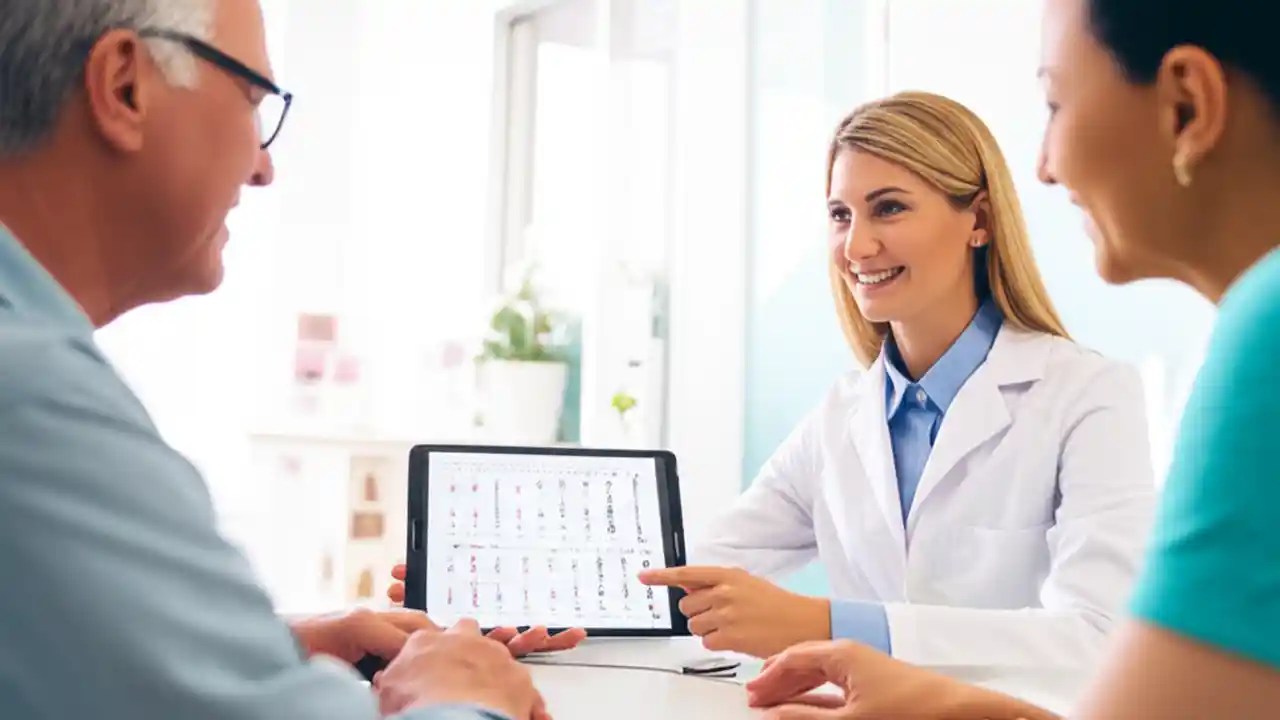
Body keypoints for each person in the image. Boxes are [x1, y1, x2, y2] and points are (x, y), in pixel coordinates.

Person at [0, 1, 577, 719]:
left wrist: (268, 654)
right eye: (254, 100)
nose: (263, 166)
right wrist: (463, 696)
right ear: (124, 87)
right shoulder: (32, 397)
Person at [741, 0, 1280, 717]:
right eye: (841, 214)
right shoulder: (841, 411)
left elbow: (1115, 659)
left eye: (1055, 102)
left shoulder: (1252, 346)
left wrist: (858, 643)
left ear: (1187, 105)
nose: (1046, 167)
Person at [630, 91, 1154, 672]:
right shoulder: (840, 416)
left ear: (978, 219)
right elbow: (699, 573)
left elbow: (1098, 634)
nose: (856, 246)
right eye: (840, 215)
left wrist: (826, 625)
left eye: (889, 209)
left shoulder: (1088, 395)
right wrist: (557, 623)